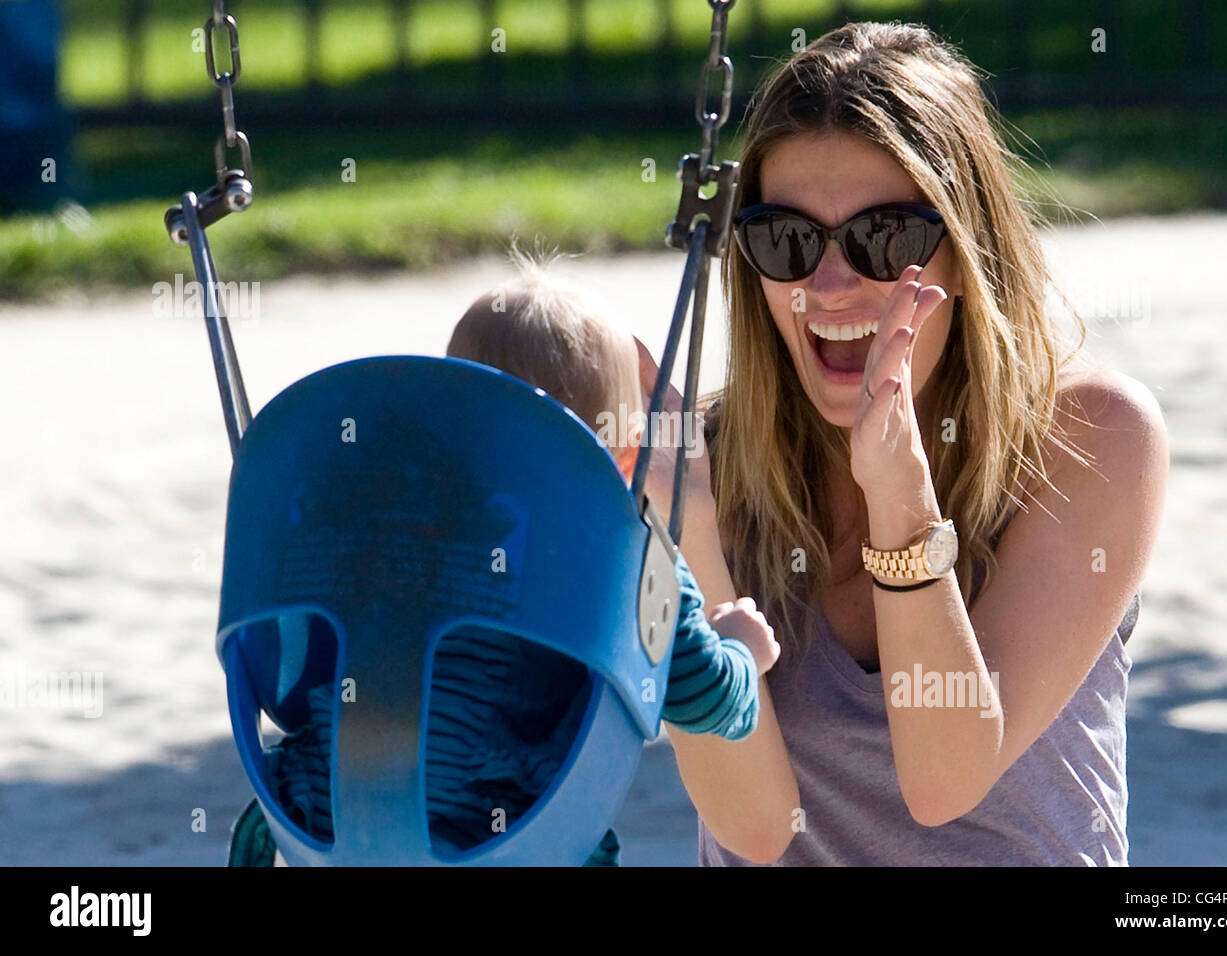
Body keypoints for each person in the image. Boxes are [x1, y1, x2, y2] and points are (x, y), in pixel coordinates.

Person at [635, 21, 1168, 866]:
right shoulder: (702, 465)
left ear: (970, 251)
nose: (831, 283)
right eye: (788, 240)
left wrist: (901, 500)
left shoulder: (1093, 440)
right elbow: (757, 829)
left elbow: (945, 778)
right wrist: (692, 531)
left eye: (886, 237)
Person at [232, 244, 780, 867]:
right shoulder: (631, 553)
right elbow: (702, 699)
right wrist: (743, 652)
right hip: (499, 835)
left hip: (319, 811)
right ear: (631, 454)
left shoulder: (379, 517)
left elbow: (285, 640)